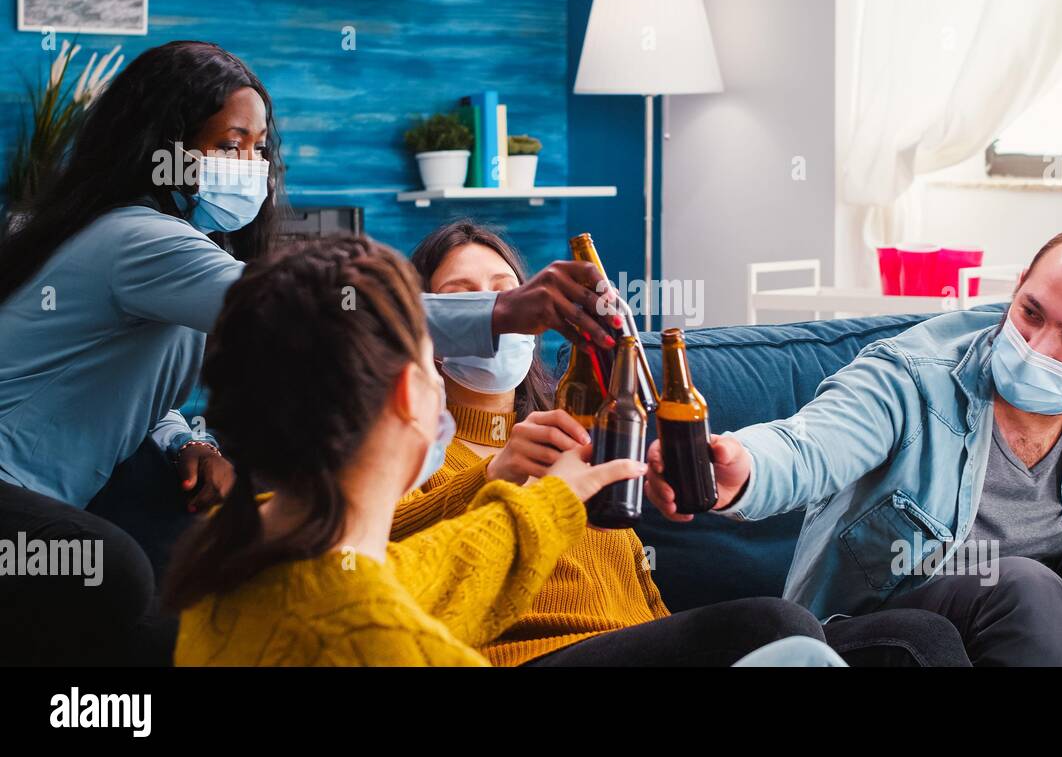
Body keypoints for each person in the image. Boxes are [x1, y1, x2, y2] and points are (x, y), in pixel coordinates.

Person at [0, 41, 622, 664]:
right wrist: (509, 310)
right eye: (227, 144)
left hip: (65, 493)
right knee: (118, 576)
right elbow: (319, 310)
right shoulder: (138, 240)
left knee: (198, 569)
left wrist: (185, 441)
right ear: (160, 147)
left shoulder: (160, 247)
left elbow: (124, 375)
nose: (249, 164)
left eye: (256, 147)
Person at [166, 235, 842, 668]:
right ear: (412, 387)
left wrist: (558, 497)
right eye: (459, 307)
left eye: (505, 291)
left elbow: (424, 569)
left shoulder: (240, 566)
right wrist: (503, 479)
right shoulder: (389, 639)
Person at [647, 227, 1062, 666]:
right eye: (1030, 313)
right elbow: (810, 445)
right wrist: (741, 469)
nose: (1037, 346)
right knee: (1028, 588)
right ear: (1019, 284)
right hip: (891, 625)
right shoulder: (912, 375)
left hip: (1043, 630)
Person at [390, 221, 971, 667]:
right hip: (529, 656)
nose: (501, 317)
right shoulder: (405, 451)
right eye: (465, 299)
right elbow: (379, 570)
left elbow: (640, 580)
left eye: (503, 291)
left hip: (637, 640)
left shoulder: (584, 427)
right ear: (433, 327)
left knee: (918, 637)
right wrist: (489, 481)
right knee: (772, 625)